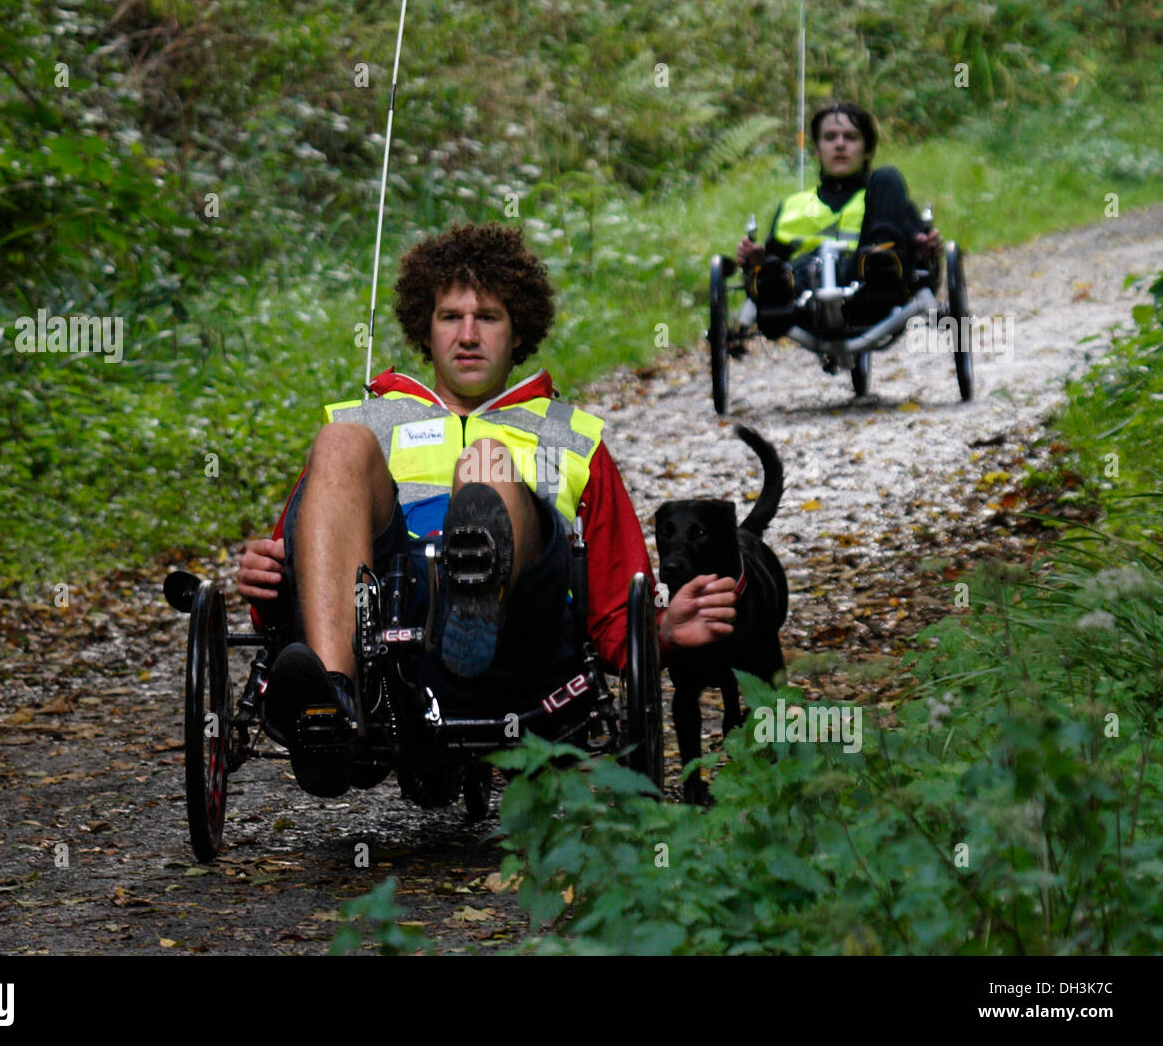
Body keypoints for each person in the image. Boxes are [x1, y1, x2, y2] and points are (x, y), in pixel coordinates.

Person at [236, 222, 738, 796]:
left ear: (517, 328)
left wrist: (664, 632)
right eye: (451, 317)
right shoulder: (367, 419)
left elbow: (614, 602)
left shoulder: (569, 435)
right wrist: (268, 580)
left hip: (525, 631)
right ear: (425, 328)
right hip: (388, 616)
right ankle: (332, 709)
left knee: (486, 461)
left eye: (488, 317)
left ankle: (472, 604)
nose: (468, 335)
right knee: (340, 442)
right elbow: (287, 577)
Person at [736, 101, 941, 334]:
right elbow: (774, 256)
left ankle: (880, 259)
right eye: (830, 137)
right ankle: (774, 296)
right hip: (802, 289)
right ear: (816, 150)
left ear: (867, 151)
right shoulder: (793, 205)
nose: (840, 145)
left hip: (867, 282)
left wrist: (924, 245)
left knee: (887, 176)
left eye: (850, 137)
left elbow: (917, 242)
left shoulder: (884, 194)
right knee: (777, 273)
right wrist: (756, 259)